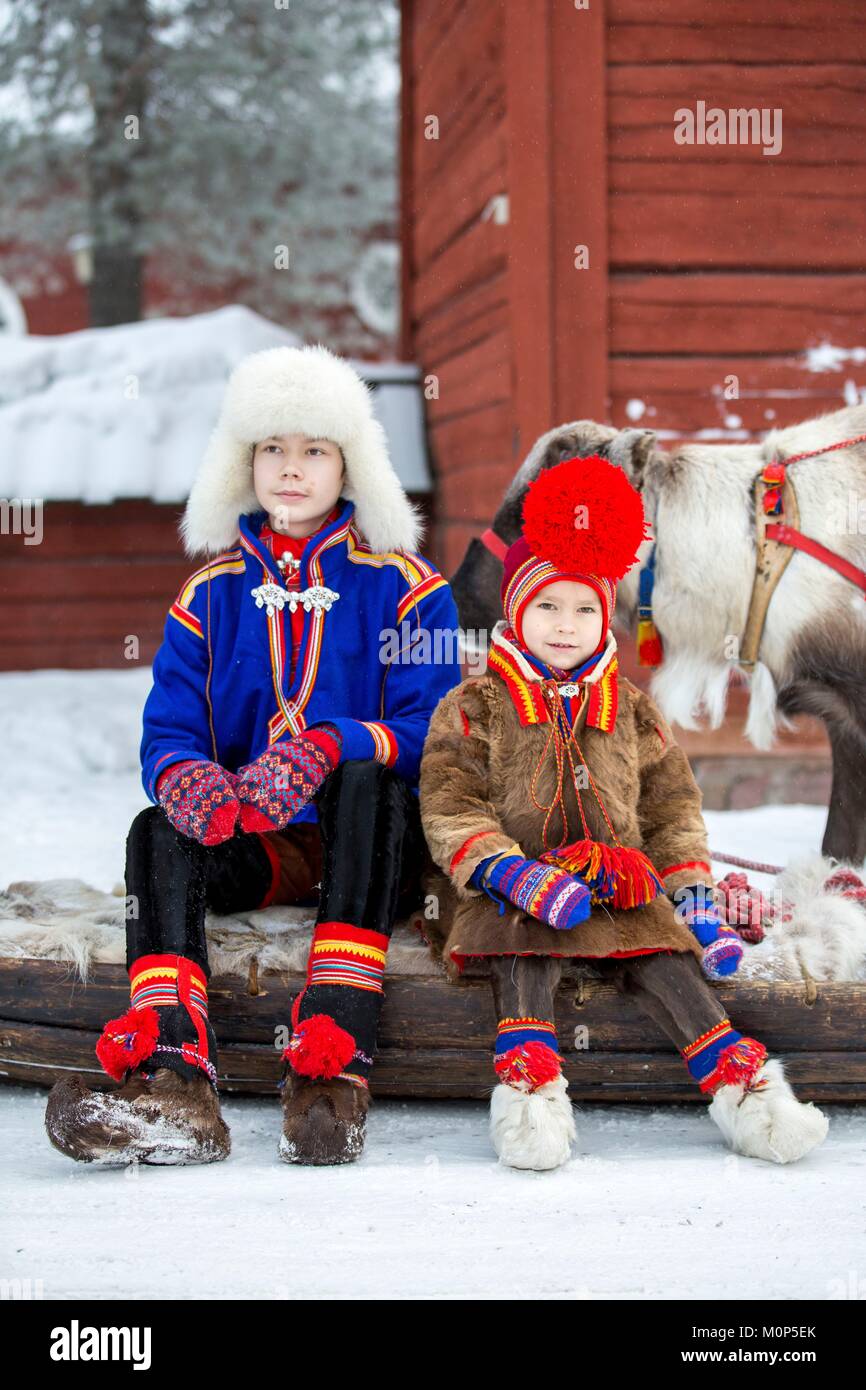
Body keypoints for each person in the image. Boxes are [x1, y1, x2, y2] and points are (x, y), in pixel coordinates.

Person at [45, 344, 461, 1167]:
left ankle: (334, 1057)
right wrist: (188, 778)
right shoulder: (210, 593)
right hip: (267, 847)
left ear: (352, 465)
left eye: (314, 450)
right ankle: (176, 1078)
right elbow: (167, 733)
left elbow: (436, 733)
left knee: (365, 778)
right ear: (244, 462)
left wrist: (331, 743)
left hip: (378, 846)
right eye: (272, 449)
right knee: (154, 830)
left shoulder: (410, 587)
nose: (291, 469)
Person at [418, 453, 829, 1171]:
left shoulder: (632, 710)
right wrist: (510, 873)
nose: (567, 625)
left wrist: (691, 884)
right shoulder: (475, 705)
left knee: (672, 963)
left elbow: (673, 806)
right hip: (513, 888)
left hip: (620, 884)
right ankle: (530, 1092)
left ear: (604, 614)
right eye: (547, 606)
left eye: (583, 608)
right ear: (517, 612)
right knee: (523, 952)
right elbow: (450, 805)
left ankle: (747, 1092)